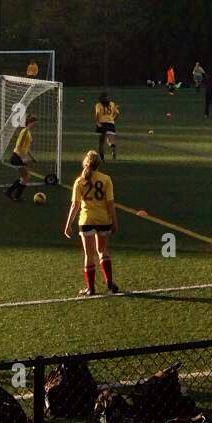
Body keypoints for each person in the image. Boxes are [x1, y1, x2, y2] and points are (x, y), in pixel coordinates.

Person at [63, 150, 119, 296]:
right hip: (103, 220)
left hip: (86, 220)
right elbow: (110, 203)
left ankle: (91, 288)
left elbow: (75, 205)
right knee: (103, 251)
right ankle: (109, 283)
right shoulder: (106, 179)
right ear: (98, 164)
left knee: (89, 254)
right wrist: (114, 221)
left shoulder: (79, 181)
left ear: (85, 163)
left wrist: (68, 224)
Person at [4, 114, 36, 201]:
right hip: (17, 157)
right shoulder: (25, 131)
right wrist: (22, 158)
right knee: (25, 177)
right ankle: (12, 193)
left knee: (25, 177)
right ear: (29, 122)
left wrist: (32, 157)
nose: (34, 125)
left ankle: (13, 194)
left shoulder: (28, 132)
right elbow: (19, 145)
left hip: (19, 156)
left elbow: (26, 147)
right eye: (33, 123)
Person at [94, 92, 119, 160]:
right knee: (110, 140)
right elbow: (117, 113)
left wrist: (97, 122)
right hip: (111, 124)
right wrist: (112, 119)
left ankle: (102, 159)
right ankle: (113, 147)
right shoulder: (112, 104)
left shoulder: (98, 105)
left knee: (101, 142)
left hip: (102, 123)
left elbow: (97, 114)